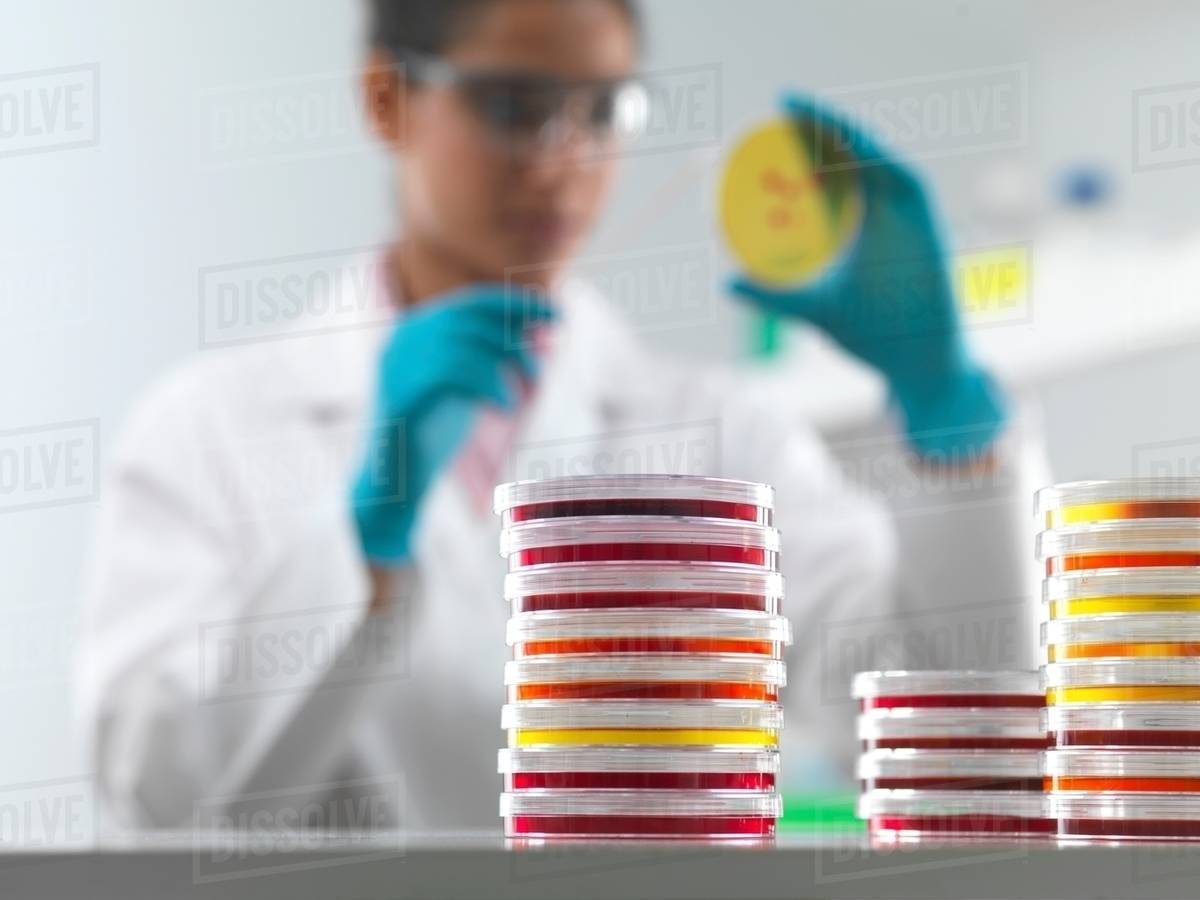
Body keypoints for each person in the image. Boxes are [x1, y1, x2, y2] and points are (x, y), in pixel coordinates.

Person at [77, 0, 1039, 831]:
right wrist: (360, 545)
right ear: (387, 97)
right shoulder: (209, 429)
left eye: (604, 109)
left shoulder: (721, 431)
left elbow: (954, 754)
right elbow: (150, 797)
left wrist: (946, 412)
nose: (566, 159)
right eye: (515, 106)